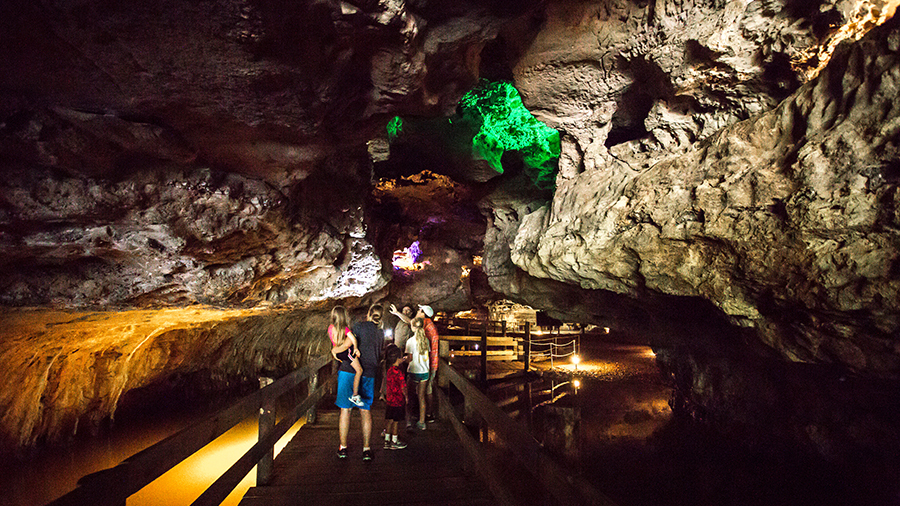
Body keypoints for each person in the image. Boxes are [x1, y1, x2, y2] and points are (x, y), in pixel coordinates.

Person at [337, 304, 385, 461]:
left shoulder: (358, 327)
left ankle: (343, 448)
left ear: (369, 314)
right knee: (365, 411)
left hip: (349, 371)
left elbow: (347, 345)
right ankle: (366, 449)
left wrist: (335, 351)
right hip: (368, 374)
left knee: (346, 410)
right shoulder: (380, 333)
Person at [327, 306, 364, 407]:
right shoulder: (345, 328)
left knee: (354, 370)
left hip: (339, 352)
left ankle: (353, 394)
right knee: (359, 370)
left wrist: (335, 351)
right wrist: (355, 348)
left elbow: (334, 341)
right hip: (346, 352)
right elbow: (353, 339)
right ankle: (355, 395)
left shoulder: (330, 327)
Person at [405, 317, 430, 430]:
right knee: (421, 397)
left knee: (410, 397)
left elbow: (410, 358)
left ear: (413, 327)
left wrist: (403, 360)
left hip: (414, 371)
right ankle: (422, 422)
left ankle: (409, 421)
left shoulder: (410, 341)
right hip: (424, 372)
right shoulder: (426, 340)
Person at [382, 344, 408, 449]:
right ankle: (394, 440)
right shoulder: (399, 372)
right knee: (396, 421)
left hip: (390, 400)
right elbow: (403, 387)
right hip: (398, 400)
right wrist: (406, 397)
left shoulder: (389, 370)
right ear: (398, 359)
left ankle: (387, 439)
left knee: (389, 420)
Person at [417, 305, 440, 423]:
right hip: (430, 362)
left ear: (423, 313)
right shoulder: (430, 325)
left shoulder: (426, 325)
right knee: (426, 389)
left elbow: (413, 324)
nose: (417, 311)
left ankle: (429, 413)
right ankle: (427, 413)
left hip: (429, 363)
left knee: (427, 389)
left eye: (419, 310)